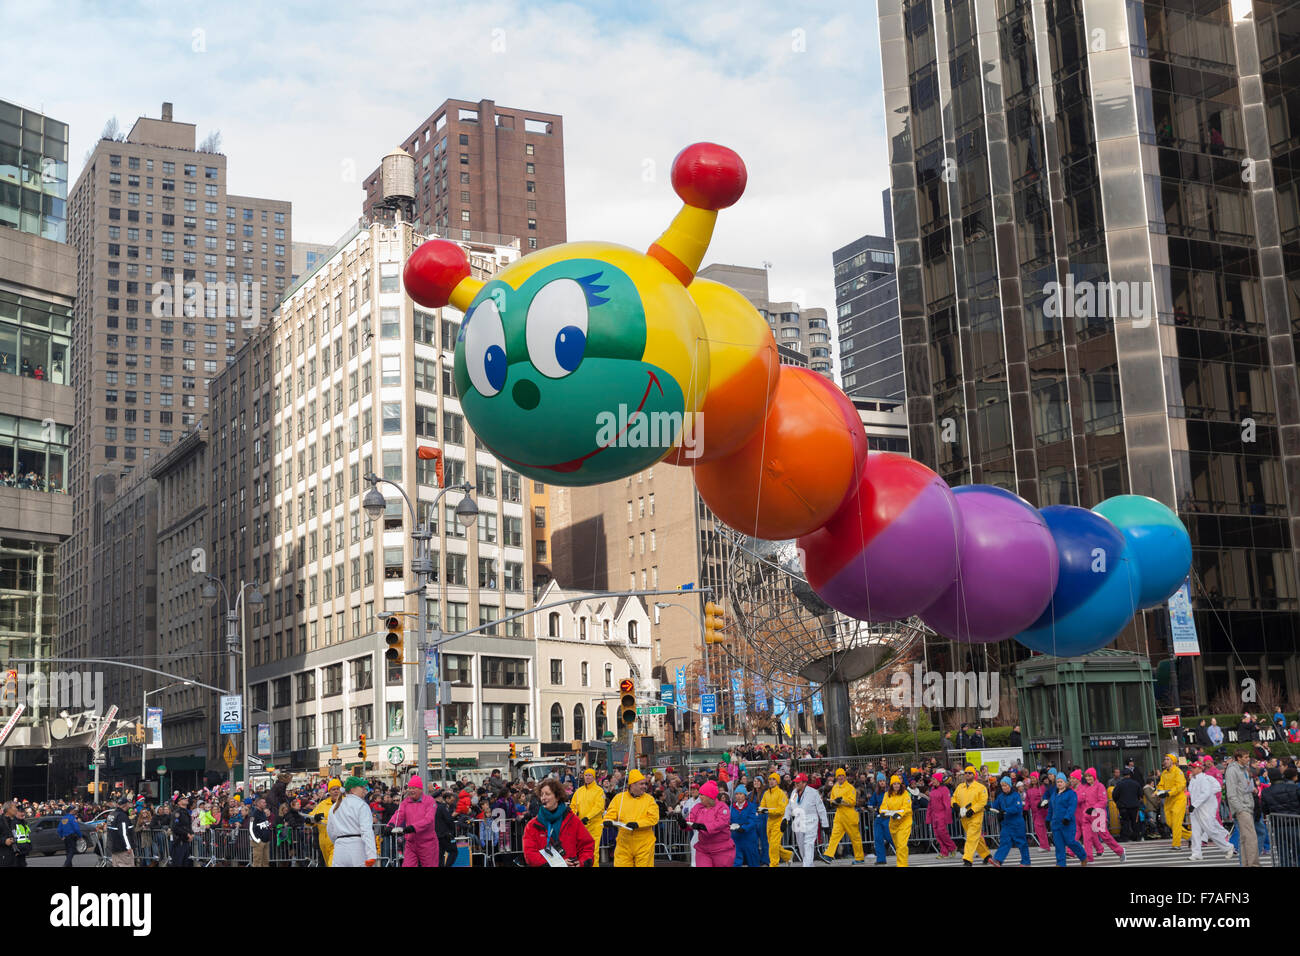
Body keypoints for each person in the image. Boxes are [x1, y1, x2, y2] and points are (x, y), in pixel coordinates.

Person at [523, 778, 593, 867]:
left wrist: (582, 861)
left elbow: (587, 845)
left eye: (547, 794)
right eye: (541, 794)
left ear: (557, 796)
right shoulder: (532, 825)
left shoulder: (572, 820)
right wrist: (556, 864)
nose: (543, 797)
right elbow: (529, 854)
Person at [603, 768, 658, 867]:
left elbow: (653, 818)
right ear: (632, 785)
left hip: (644, 843)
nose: (644, 786)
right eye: (641, 784)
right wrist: (607, 821)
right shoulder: (619, 798)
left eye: (645, 784)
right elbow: (610, 814)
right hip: (624, 843)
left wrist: (638, 824)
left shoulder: (649, 800)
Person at [1186, 761, 1234, 861]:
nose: (1192, 769)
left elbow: (1207, 793)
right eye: (1191, 768)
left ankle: (1228, 847)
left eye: (1194, 768)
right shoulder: (1193, 780)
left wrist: (1194, 804)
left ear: (1200, 769)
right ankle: (1196, 853)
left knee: (1210, 830)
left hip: (1205, 809)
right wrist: (1192, 806)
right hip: (1196, 809)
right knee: (1195, 832)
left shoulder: (1205, 779)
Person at [387, 776, 439, 867]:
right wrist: (390, 825)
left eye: (414, 788)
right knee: (407, 865)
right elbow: (398, 815)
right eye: (410, 788)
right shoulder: (406, 802)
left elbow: (428, 820)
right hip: (411, 842)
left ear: (420, 789)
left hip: (427, 842)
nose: (411, 790)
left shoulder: (429, 801)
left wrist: (413, 827)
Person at [328, 777, 377, 867]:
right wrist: (371, 855)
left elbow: (330, 831)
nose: (364, 789)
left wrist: (339, 841)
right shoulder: (361, 805)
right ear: (352, 789)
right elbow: (366, 831)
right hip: (357, 849)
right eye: (361, 787)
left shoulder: (335, 806)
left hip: (340, 849)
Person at [686, 780, 734, 867]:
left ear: (709, 796)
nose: (700, 797)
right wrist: (683, 824)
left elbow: (721, 823)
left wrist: (703, 827)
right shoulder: (698, 807)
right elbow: (690, 821)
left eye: (702, 794)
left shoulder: (722, 807)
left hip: (721, 849)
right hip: (703, 848)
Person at [1081, 767, 1125, 861]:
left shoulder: (1100, 786)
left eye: (1090, 776)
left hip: (1098, 815)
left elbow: (1103, 801)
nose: (1088, 778)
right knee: (1086, 837)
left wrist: (1094, 808)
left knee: (1105, 836)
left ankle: (1120, 851)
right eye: (1086, 776)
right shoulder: (1085, 787)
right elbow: (1080, 798)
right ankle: (1088, 857)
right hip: (1087, 816)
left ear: (1094, 776)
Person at [821, 768, 864, 864]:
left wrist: (842, 800)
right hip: (839, 815)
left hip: (849, 816)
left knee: (855, 838)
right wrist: (834, 803)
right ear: (836, 777)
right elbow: (832, 800)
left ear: (845, 777)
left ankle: (859, 857)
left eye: (842, 776)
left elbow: (853, 802)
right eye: (839, 776)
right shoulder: (835, 788)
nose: (840, 777)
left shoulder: (850, 788)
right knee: (834, 836)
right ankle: (828, 855)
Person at [784, 773, 826, 867]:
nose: (796, 784)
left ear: (804, 783)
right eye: (795, 782)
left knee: (808, 845)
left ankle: (806, 865)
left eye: (798, 783)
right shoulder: (794, 793)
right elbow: (789, 807)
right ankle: (809, 864)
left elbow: (821, 809)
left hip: (811, 821)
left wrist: (825, 824)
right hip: (798, 822)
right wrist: (785, 819)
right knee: (802, 847)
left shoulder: (813, 793)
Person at [1224, 749, 1258, 866]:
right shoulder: (1232, 770)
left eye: (1248, 757)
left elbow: (1243, 788)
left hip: (1247, 805)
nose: (1248, 759)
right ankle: (1253, 864)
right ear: (1239, 758)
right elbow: (1231, 793)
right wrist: (1239, 809)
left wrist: (1252, 789)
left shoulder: (1244, 769)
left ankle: (1246, 864)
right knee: (1251, 838)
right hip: (1242, 807)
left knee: (1245, 839)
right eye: (1246, 757)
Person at [953, 765, 991, 865]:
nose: (967, 775)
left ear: (974, 774)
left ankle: (967, 859)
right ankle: (986, 855)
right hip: (964, 817)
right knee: (976, 838)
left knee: (971, 836)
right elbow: (954, 798)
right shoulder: (960, 787)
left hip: (976, 817)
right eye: (966, 773)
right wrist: (955, 806)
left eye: (970, 773)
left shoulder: (980, 787)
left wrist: (973, 810)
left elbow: (982, 801)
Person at [569, 767, 606, 867]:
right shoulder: (579, 791)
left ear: (594, 777)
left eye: (590, 775)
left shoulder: (599, 791)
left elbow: (599, 807)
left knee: (593, 851)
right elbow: (573, 805)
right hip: (580, 826)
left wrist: (587, 817)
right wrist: (574, 815)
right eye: (586, 775)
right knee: (580, 851)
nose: (588, 777)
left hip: (594, 826)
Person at [988, 776, 1029, 867]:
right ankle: (998, 860)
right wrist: (988, 807)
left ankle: (1026, 862)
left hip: (1017, 823)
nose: (1004, 788)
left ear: (1009, 785)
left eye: (1005, 785)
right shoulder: (1000, 796)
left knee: (1021, 843)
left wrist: (1005, 810)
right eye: (1002, 786)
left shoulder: (1016, 795)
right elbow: (995, 806)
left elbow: (1017, 808)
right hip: (1006, 824)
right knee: (1004, 841)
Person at [1049, 772, 1087, 866]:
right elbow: (1051, 808)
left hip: (1067, 823)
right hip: (1056, 824)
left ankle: (1083, 856)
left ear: (1065, 782)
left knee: (1070, 842)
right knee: (1059, 845)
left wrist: (1067, 818)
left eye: (1061, 781)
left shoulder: (1071, 793)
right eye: (1058, 782)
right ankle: (1060, 863)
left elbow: (1071, 807)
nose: (1059, 783)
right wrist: (1047, 819)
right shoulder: (1054, 794)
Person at [1155, 753, 1191, 849]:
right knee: (1170, 822)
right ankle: (1191, 836)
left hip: (1178, 800)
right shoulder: (1164, 773)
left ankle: (1176, 844)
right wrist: (1157, 792)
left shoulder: (1178, 772)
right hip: (1168, 801)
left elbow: (1180, 786)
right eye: (1165, 759)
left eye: (1168, 759)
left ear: (1172, 762)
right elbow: (1161, 785)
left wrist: (1168, 793)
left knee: (1176, 822)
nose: (1165, 761)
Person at [757, 771, 793, 866]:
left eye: (774, 779)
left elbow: (781, 810)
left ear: (777, 782)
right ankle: (788, 855)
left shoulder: (781, 793)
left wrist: (767, 811)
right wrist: (760, 810)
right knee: (773, 844)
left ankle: (774, 864)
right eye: (770, 779)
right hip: (770, 822)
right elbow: (762, 805)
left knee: (773, 844)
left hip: (779, 821)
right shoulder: (766, 794)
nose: (771, 781)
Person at [878, 775, 913, 867]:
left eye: (898, 783)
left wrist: (900, 814)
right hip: (893, 823)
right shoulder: (887, 794)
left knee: (901, 845)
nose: (897, 785)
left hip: (905, 821)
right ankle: (902, 863)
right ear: (891, 785)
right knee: (898, 846)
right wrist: (882, 812)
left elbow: (907, 807)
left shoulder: (905, 793)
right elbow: (883, 805)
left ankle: (902, 865)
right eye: (894, 784)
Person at [729, 784, 765, 867]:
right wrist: (730, 826)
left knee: (753, 861)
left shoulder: (751, 806)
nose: (738, 796)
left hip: (749, 838)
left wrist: (744, 828)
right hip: (736, 838)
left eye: (741, 794)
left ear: (745, 795)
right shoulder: (731, 807)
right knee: (736, 861)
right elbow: (728, 820)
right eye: (737, 794)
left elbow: (753, 820)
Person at [309, 779, 342, 867]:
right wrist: (314, 819)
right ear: (329, 792)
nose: (335, 791)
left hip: (339, 842)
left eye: (337, 789)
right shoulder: (323, 804)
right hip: (324, 844)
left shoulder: (345, 803)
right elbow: (309, 819)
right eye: (333, 789)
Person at [928, 770, 958, 858]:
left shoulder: (944, 789)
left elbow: (947, 804)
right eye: (932, 779)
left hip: (942, 814)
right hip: (934, 815)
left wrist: (947, 817)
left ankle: (952, 847)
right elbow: (930, 804)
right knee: (937, 834)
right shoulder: (932, 789)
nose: (932, 781)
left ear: (938, 780)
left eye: (933, 779)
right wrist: (929, 816)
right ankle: (944, 852)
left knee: (942, 833)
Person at [866, 774, 892, 865]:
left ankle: (902, 852)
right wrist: (870, 806)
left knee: (890, 837)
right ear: (878, 782)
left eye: (883, 781)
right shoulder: (876, 793)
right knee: (878, 838)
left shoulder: (889, 792)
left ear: (886, 782)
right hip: (879, 818)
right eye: (880, 781)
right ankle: (881, 859)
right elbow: (870, 804)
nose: (882, 782)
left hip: (888, 817)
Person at [1113, 769, 1143, 842]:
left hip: (1123, 806)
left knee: (1125, 822)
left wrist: (1118, 802)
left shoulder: (1119, 784)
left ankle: (1125, 837)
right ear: (1130, 775)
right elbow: (1141, 794)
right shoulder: (1136, 783)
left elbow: (1115, 795)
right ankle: (1136, 836)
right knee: (1135, 821)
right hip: (1134, 806)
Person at [107, 796, 134, 867]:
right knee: (127, 864)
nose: (130, 805)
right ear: (126, 804)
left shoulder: (111, 814)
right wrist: (128, 847)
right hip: (122, 848)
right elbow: (124, 833)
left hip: (113, 848)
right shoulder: (122, 816)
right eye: (129, 803)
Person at [1026, 771, 1050, 851]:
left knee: (1039, 827)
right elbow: (1027, 800)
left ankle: (1044, 845)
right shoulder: (1029, 789)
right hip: (1034, 811)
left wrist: (1043, 803)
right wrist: (1025, 808)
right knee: (1039, 828)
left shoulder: (1042, 788)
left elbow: (1045, 798)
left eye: (1034, 778)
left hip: (1041, 810)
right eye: (1031, 778)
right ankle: (1045, 845)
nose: (1032, 779)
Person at [435, 788, 458, 867]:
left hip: (440, 835)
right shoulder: (443, 807)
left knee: (441, 854)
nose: (452, 802)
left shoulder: (441, 807)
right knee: (454, 851)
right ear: (447, 799)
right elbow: (448, 820)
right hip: (444, 834)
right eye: (451, 800)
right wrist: (453, 815)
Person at [170, 794, 193, 867]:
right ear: (178, 802)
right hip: (179, 841)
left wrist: (191, 833)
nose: (186, 799)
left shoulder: (186, 812)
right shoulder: (177, 813)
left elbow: (188, 826)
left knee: (185, 863)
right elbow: (175, 827)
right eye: (183, 798)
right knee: (178, 862)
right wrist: (187, 834)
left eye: (186, 798)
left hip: (186, 841)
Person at [249, 796, 272, 867]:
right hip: (258, 842)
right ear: (258, 804)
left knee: (266, 861)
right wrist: (257, 840)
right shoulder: (253, 814)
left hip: (266, 841)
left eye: (265, 802)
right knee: (257, 862)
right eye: (263, 802)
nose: (265, 804)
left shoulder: (263, 813)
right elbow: (250, 828)